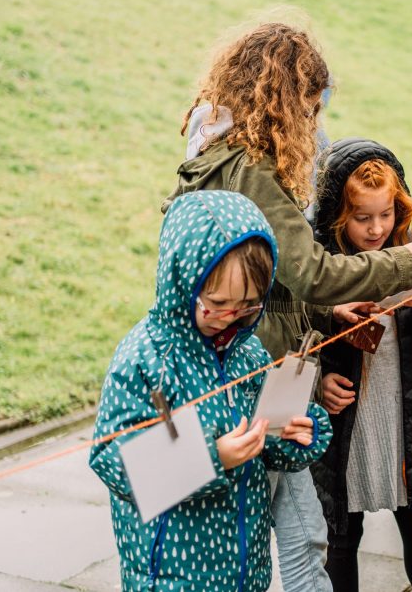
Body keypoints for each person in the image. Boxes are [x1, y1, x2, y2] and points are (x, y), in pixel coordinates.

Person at [163, 22, 412, 591]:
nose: (314, 126)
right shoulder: (253, 170)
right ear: (287, 102)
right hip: (263, 373)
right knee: (274, 528)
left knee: (303, 531)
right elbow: (308, 272)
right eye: (311, 110)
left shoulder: (223, 155)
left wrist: (329, 319)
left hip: (274, 370)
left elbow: (276, 283)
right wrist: (405, 261)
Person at [89, 190, 333, 592]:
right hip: (171, 575)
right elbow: (115, 463)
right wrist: (212, 456)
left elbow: (263, 433)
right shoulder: (148, 360)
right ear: (181, 281)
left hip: (244, 568)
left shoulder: (246, 351)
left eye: (248, 305)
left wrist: (289, 432)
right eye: (217, 303)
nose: (230, 317)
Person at [308, 139, 412, 592]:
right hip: (346, 430)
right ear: (336, 212)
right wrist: (317, 383)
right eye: (362, 217)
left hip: (411, 424)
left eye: (386, 214)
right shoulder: (320, 264)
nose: (377, 228)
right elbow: (291, 335)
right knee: (340, 543)